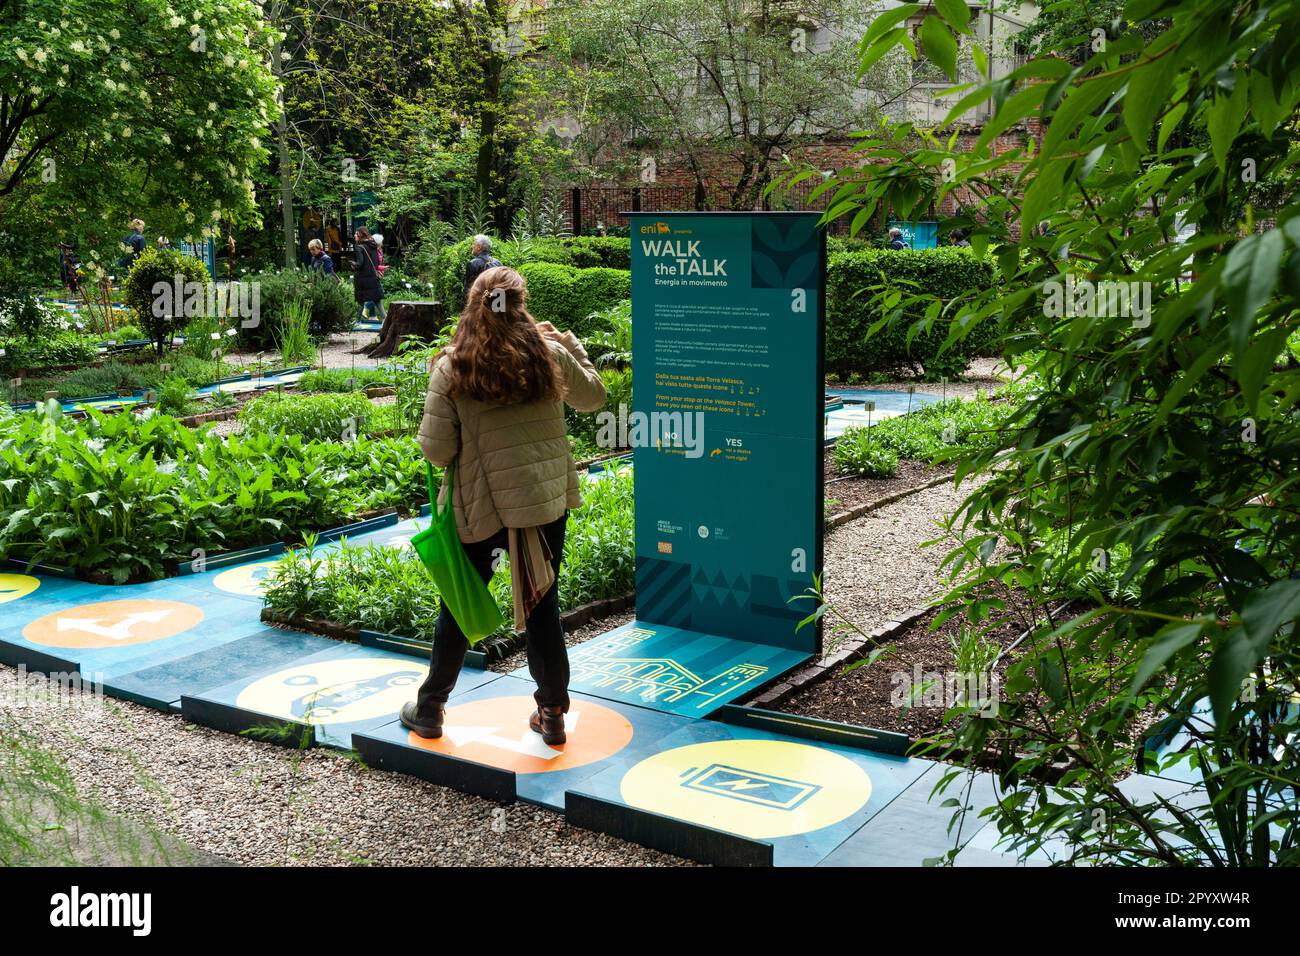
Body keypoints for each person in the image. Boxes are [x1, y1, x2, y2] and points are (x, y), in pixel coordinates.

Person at [401, 266, 607, 745]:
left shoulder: (453, 366)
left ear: (474, 304)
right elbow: (594, 397)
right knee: (542, 602)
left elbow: (438, 452)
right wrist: (568, 341)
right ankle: (552, 713)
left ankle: (430, 708)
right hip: (541, 503)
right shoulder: (549, 354)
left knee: (461, 602)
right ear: (520, 305)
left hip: (483, 509)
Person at [352, 226, 385, 323]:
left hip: (362, 279)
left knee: (361, 300)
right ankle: (385, 318)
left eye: (356, 233)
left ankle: (357, 321)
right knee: (376, 299)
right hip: (373, 277)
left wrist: (353, 264)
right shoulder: (373, 246)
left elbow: (360, 263)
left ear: (360, 235)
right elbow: (376, 262)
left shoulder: (359, 247)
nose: (354, 235)